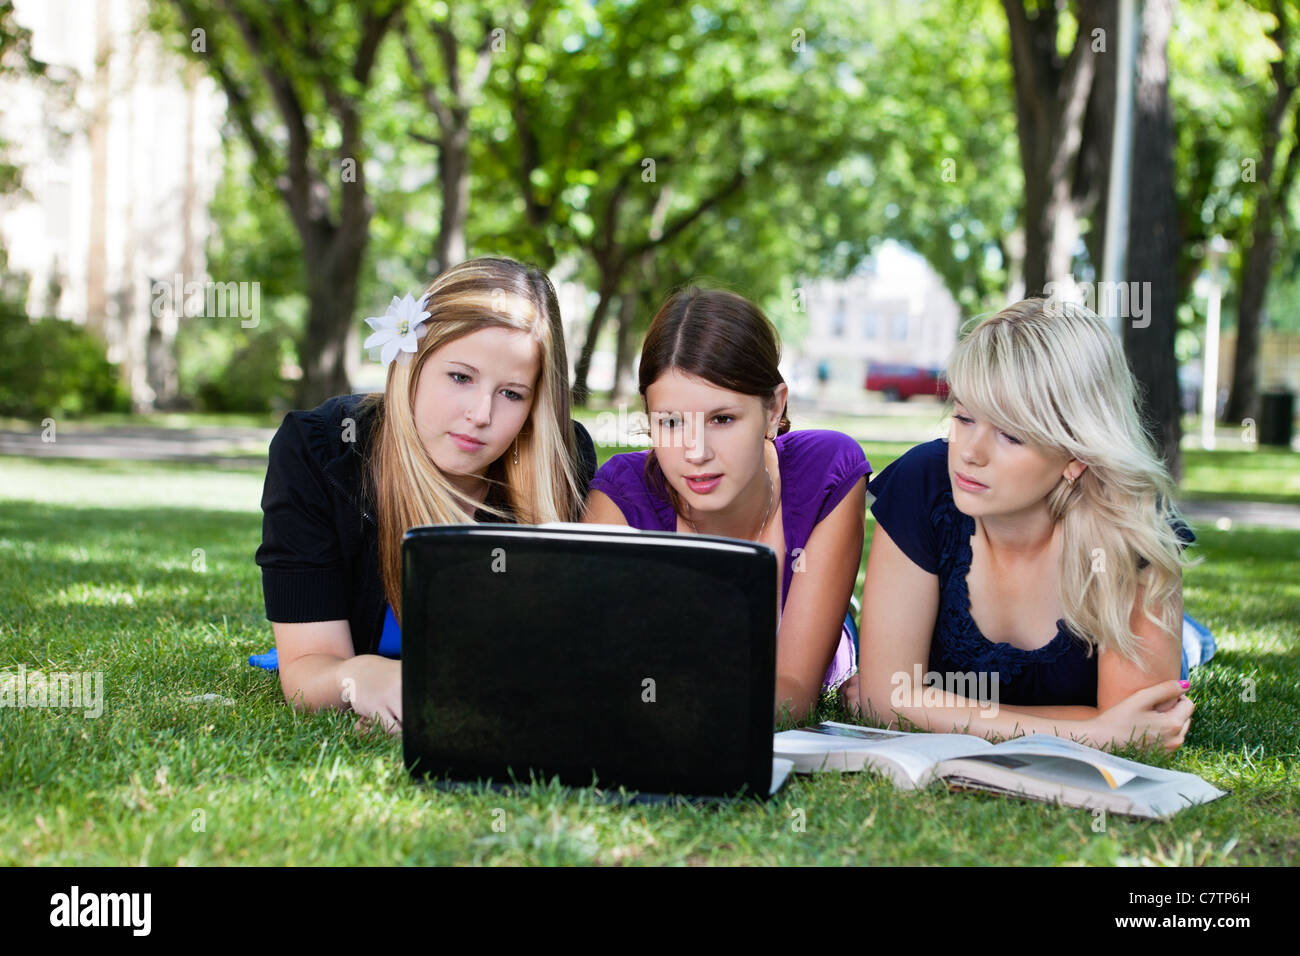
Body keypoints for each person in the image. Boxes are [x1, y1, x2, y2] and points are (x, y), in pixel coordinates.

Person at [254, 257, 596, 735]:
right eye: (461, 377)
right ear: (411, 362)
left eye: (512, 394)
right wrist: (359, 676)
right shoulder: (319, 451)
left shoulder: (560, 459)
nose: (481, 414)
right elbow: (308, 669)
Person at [857, 298, 1199, 752]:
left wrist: (930, 706)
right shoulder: (924, 486)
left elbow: (1139, 725)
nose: (971, 452)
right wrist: (1090, 731)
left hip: (1171, 630)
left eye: (1011, 434)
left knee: (1190, 644)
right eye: (963, 417)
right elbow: (885, 701)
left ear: (1077, 455)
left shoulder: (1133, 528)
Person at [582, 287, 870, 722]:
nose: (696, 452)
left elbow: (794, 694)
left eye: (722, 419)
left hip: (818, 643)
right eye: (672, 422)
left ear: (774, 408)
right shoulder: (622, 499)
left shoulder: (827, 473)